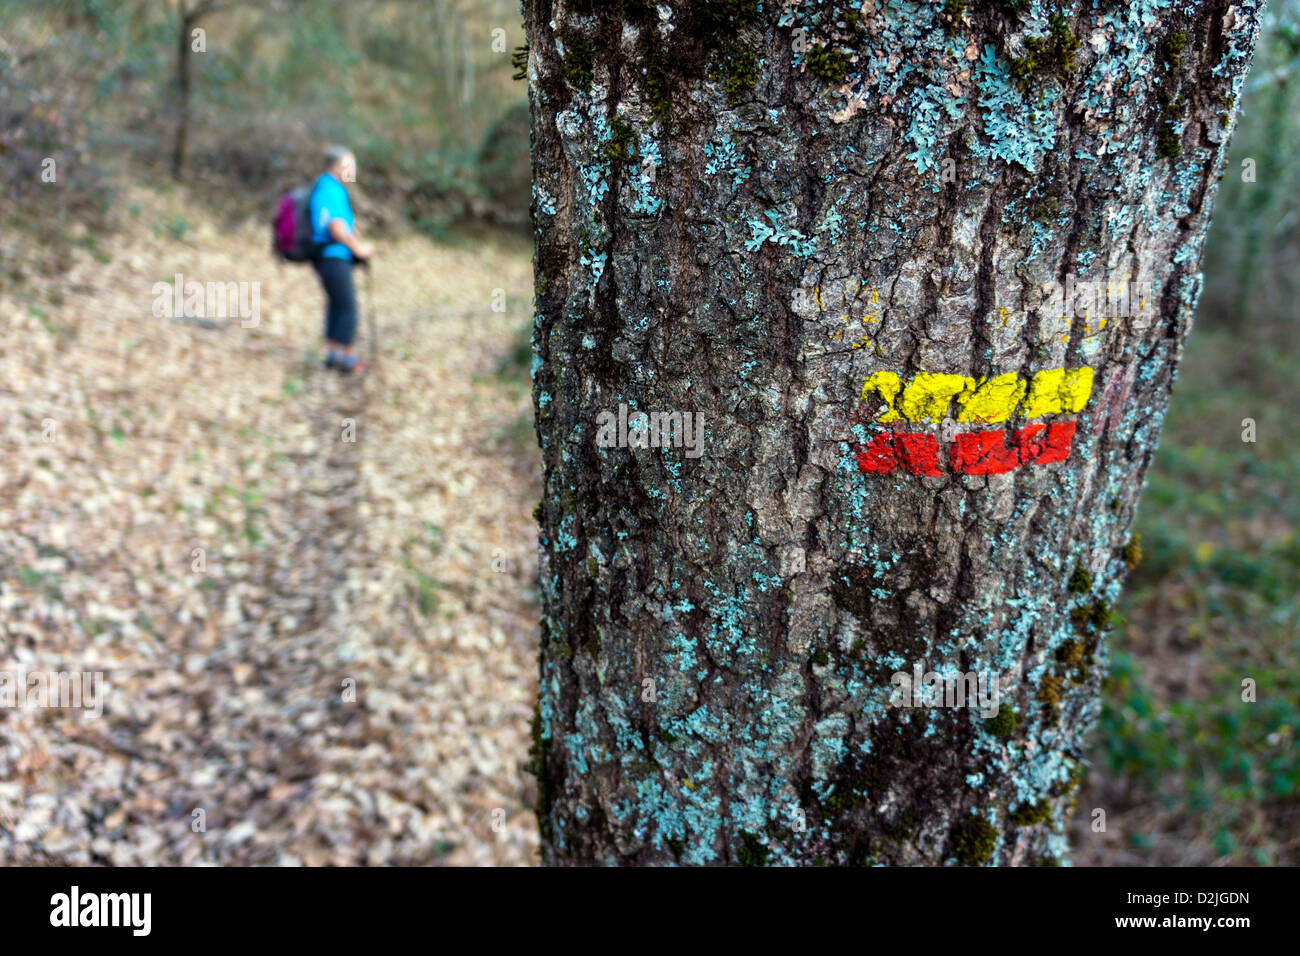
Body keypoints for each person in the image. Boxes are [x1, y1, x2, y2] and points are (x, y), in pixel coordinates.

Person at [310, 146, 374, 374]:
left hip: (326, 257)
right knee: (348, 306)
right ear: (336, 166)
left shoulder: (324, 187)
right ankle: (348, 359)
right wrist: (359, 249)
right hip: (334, 257)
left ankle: (332, 354)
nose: (353, 170)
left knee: (336, 305)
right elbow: (336, 228)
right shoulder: (332, 189)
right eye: (350, 165)